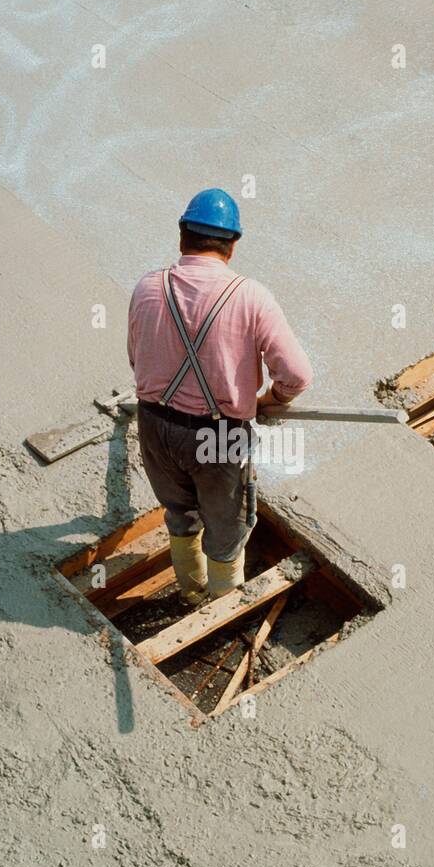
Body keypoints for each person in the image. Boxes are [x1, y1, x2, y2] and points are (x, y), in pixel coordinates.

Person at [127, 188, 312, 603]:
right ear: (233, 245)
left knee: (180, 514)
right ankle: (221, 606)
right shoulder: (251, 297)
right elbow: (297, 374)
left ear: (181, 236)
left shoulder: (147, 288)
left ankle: (191, 595)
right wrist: (268, 400)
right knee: (227, 529)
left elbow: (136, 360)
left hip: (154, 425)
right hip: (218, 435)